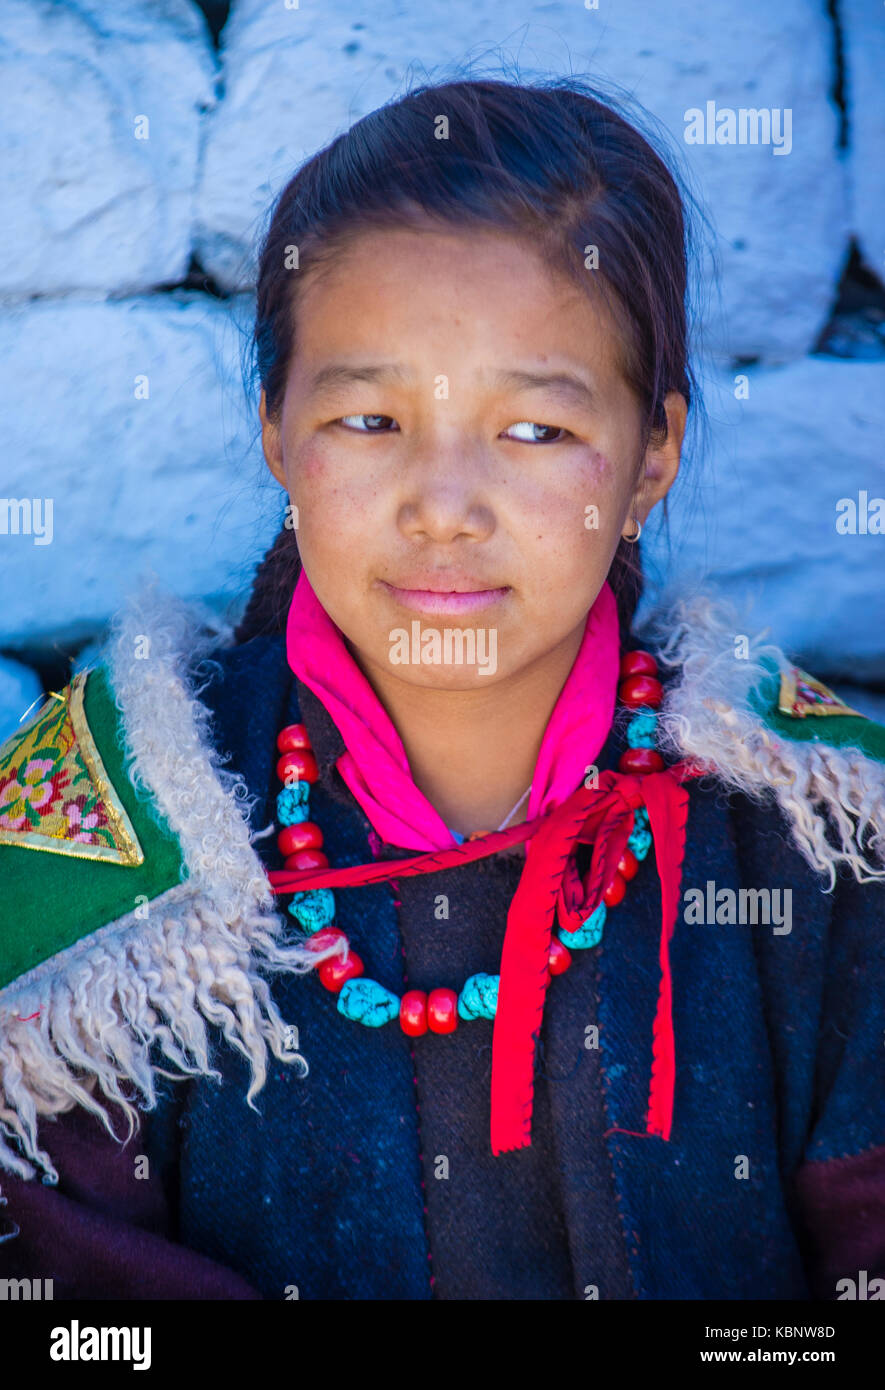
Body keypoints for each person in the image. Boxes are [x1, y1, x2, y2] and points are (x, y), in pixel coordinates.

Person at [1, 77, 883, 1302]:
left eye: (533, 432)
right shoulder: (117, 862)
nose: (445, 505)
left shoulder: (814, 844)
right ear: (274, 433)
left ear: (651, 459)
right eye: (370, 419)